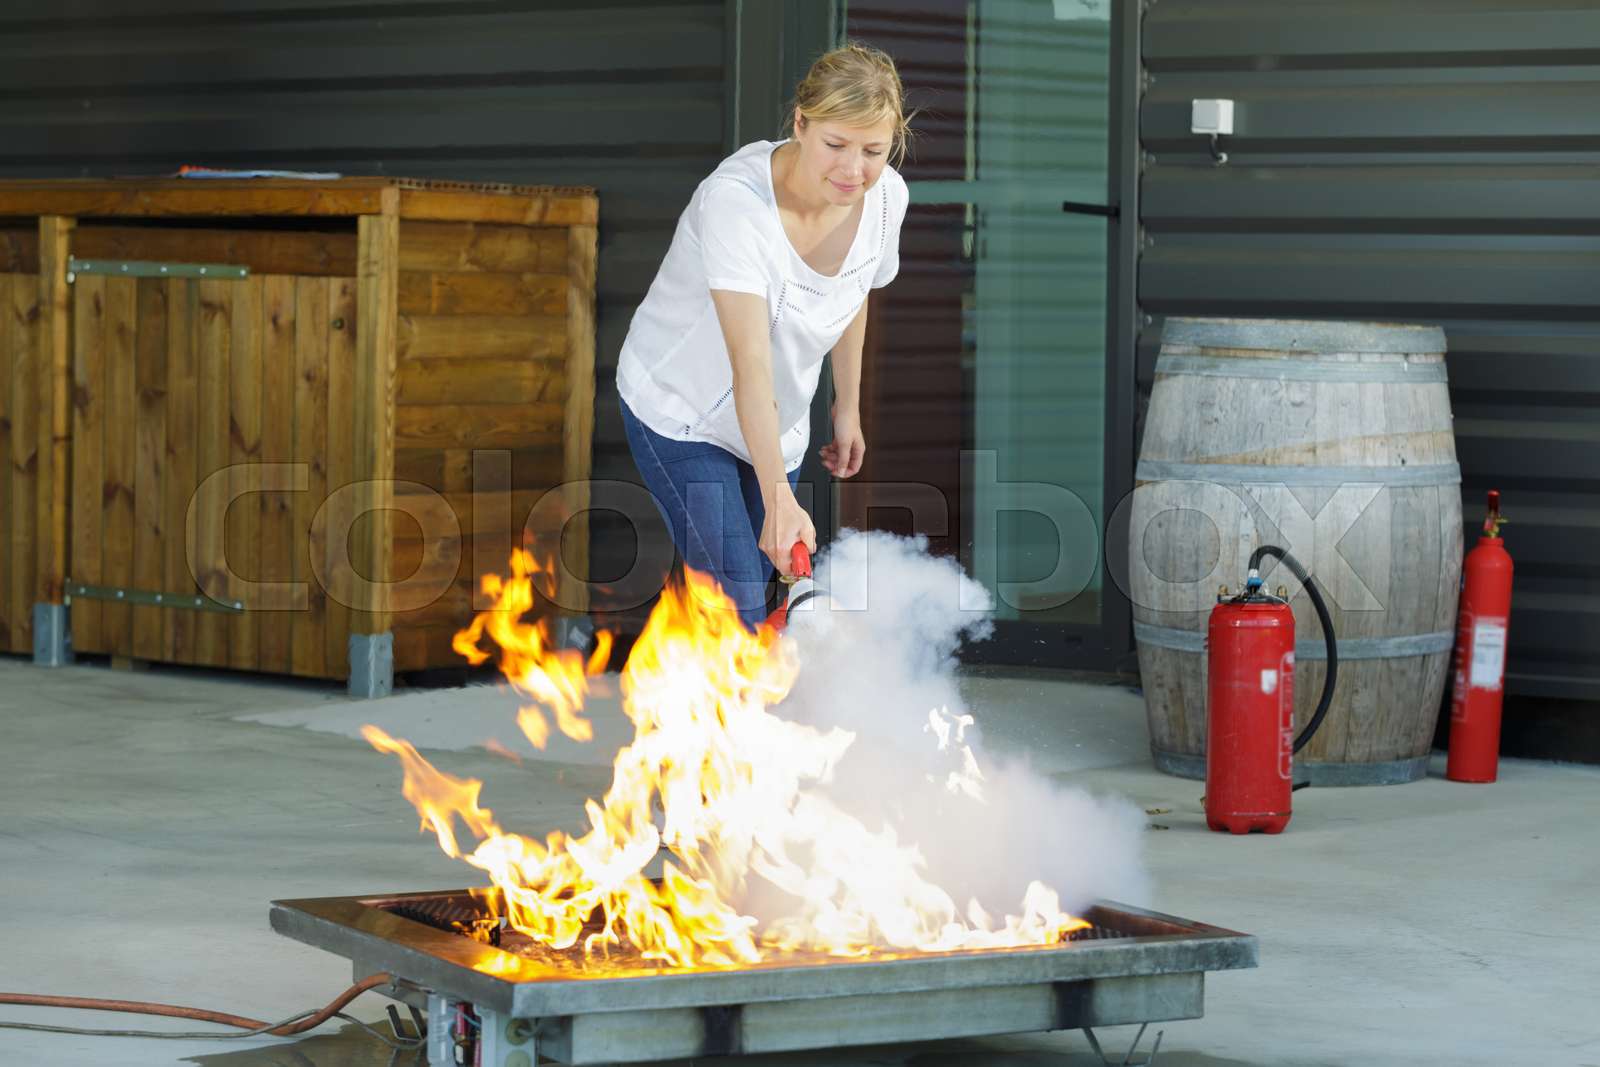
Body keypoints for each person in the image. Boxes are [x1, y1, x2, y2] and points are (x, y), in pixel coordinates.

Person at [616, 43, 912, 629]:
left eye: (874, 151)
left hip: (775, 421)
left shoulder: (885, 200)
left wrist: (845, 408)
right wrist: (780, 499)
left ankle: (697, 706)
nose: (854, 170)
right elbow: (748, 363)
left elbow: (855, 296)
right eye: (835, 145)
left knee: (759, 584)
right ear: (800, 124)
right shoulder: (737, 205)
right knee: (739, 593)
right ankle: (731, 719)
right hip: (684, 409)